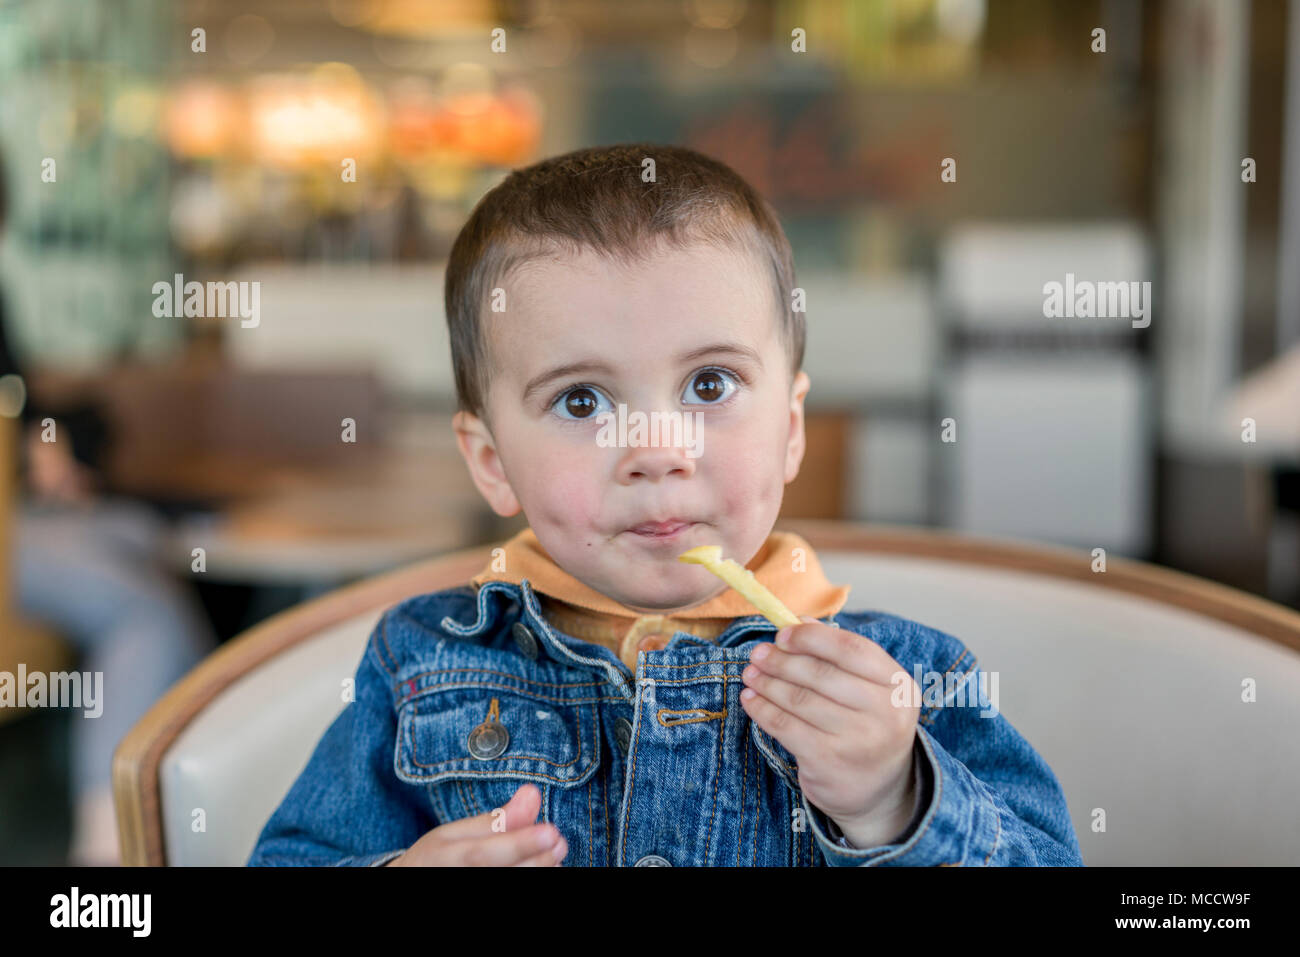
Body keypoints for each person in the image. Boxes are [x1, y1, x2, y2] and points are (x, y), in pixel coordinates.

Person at [247, 143, 1082, 866]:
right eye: (581, 402)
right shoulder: (420, 662)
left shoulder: (909, 679)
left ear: (790, 428)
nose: (656, 448)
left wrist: (894, 802)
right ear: (493, 462)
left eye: (709, 385)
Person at [0, 147, 217, 865]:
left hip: (28, 516)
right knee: (144, 609)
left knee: (147, 534)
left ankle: (180, 809)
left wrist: (39, 442)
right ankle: (106, 852)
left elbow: (21, 399)